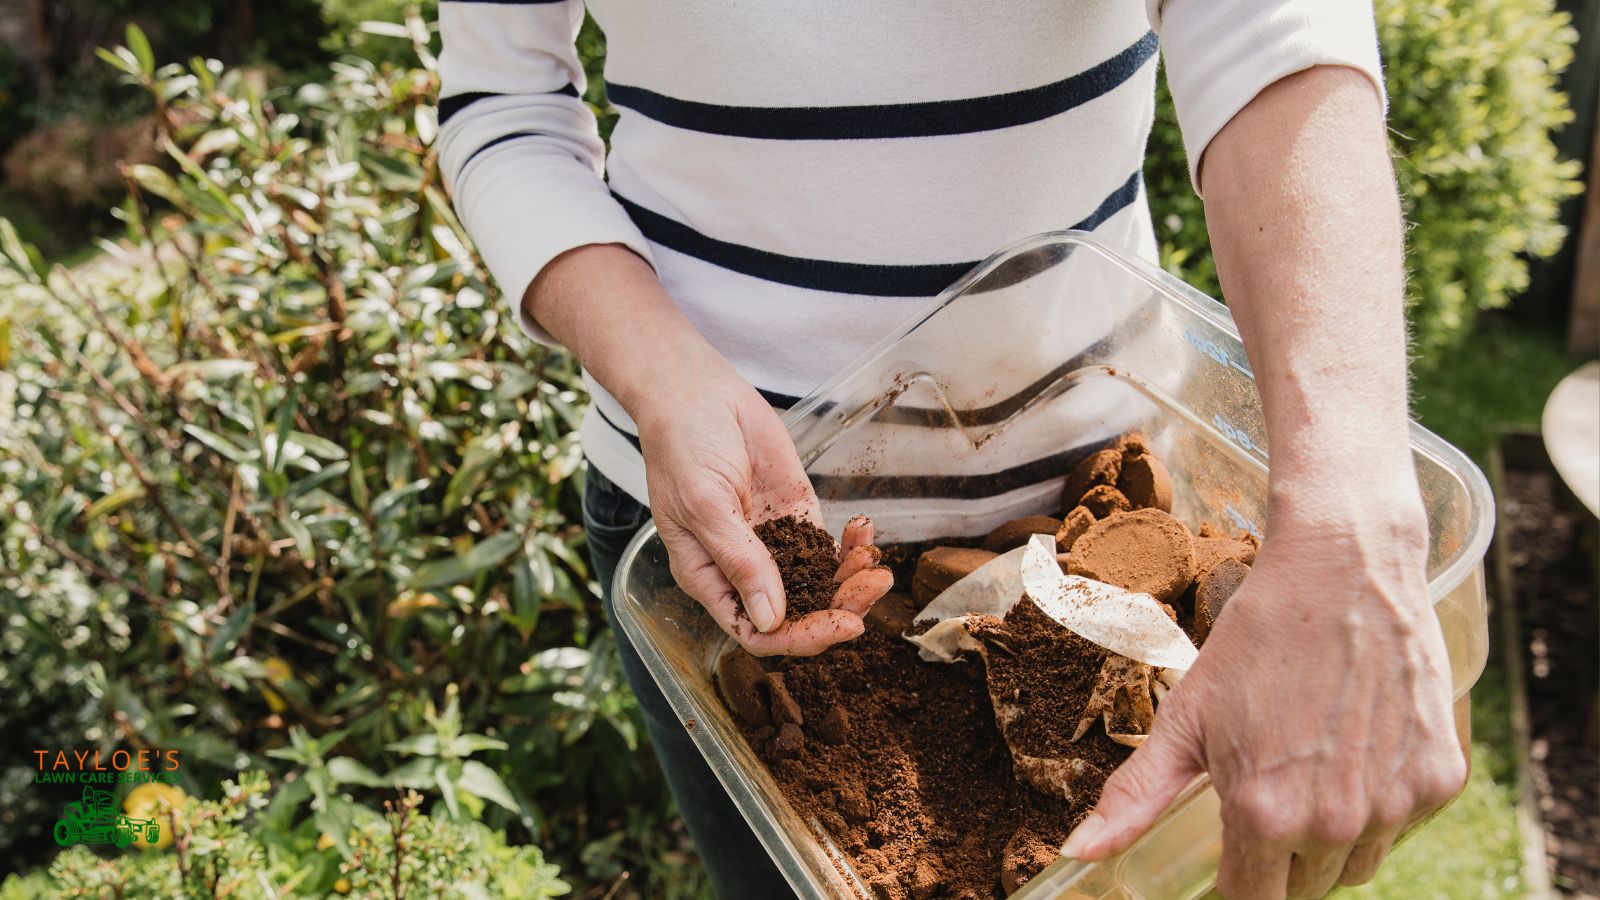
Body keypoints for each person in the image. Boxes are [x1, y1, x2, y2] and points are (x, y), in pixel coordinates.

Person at [438, 2, 1468, 897]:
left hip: (1095, 511)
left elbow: (1270, 29)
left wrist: (1347, 529)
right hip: (731, 544)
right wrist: (664, 377)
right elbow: (503, 102)